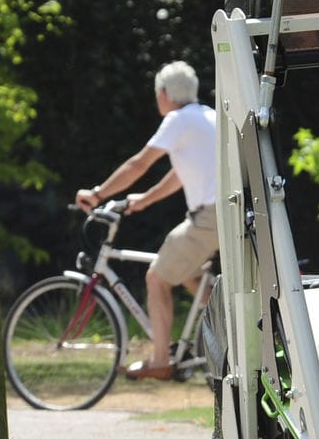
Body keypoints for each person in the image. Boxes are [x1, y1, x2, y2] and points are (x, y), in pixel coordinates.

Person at [75, 61, 217, 380]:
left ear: (164, 93)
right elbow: (180, 173)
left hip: (209, 218)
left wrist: (97, 194)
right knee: (189, 275)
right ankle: (231, 328)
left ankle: (160, 361)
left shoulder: (178, 119)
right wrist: (145, 200)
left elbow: (139, 164)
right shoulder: (206, 116)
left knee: (156, 278)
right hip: (224, 214)